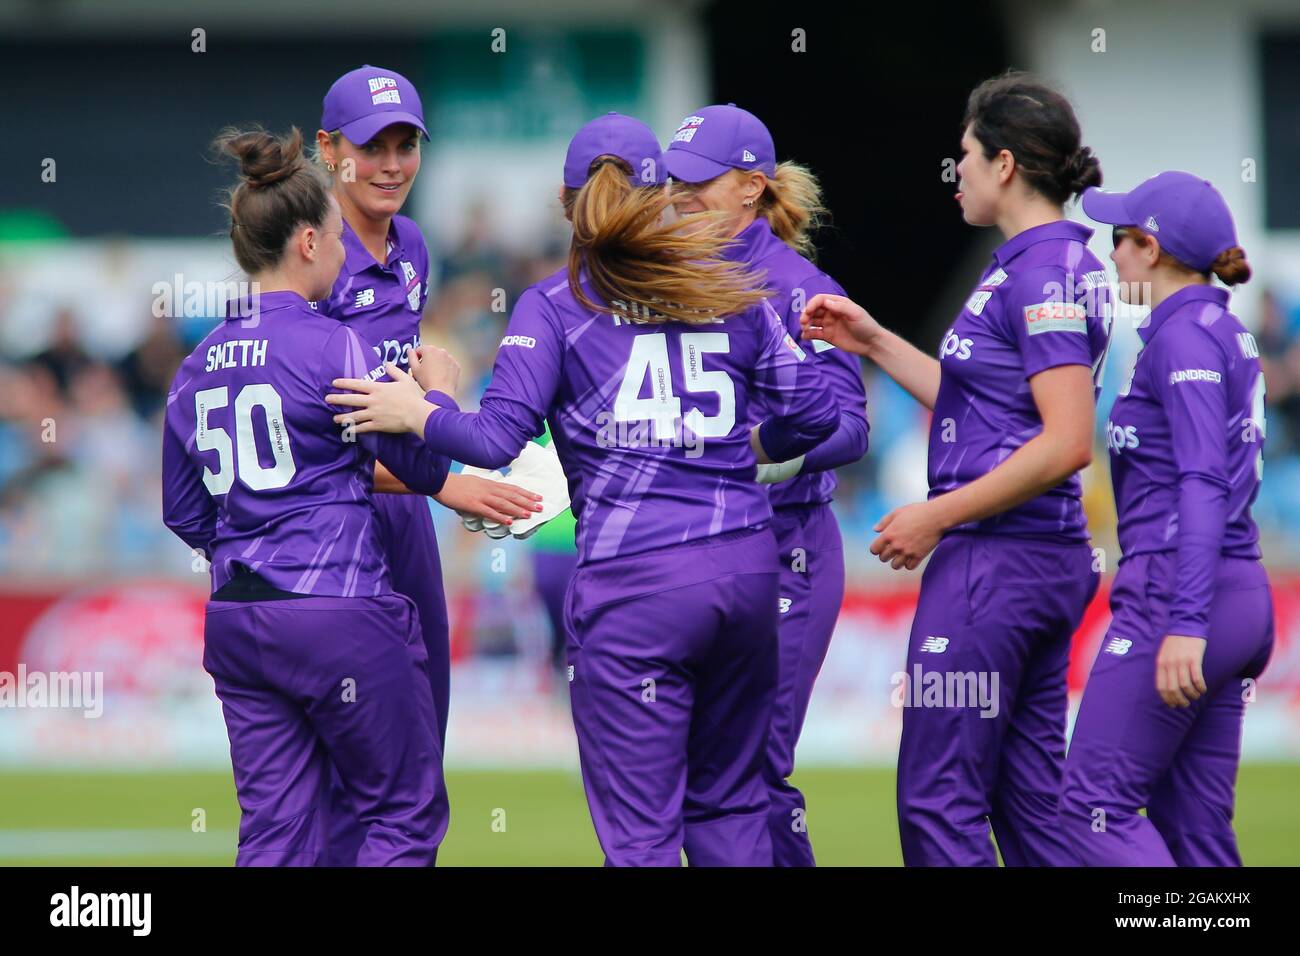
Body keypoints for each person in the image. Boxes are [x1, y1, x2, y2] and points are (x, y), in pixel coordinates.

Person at [325, 112, 838, 866]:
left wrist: (419, 407)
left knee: (642, 836)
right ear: (663, 196)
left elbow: (496, 440)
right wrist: (742, 453)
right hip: (747, 573)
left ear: (566, 205)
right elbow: (818, 414)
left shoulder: (556, 306)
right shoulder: (730, 283)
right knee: (731, 810)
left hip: (636, 588)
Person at [800, 71, 1111, 866]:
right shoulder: (1044, 264)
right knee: (1032, 807)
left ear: (1005, 164)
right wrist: (872, 341)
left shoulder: (1039, 275)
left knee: (938, 798)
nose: (957, 171)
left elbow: (1068, 438)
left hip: (995, 565)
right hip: (1035, 560)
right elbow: (983, 403)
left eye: (966, 155)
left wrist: (938, 515)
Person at [162, 127, 460, 865]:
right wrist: (441, 396)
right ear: (304, 241)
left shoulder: (196, 363)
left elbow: (182, 508)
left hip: (237, 616)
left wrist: (247, 538)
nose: (341, 252)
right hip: (339, 608)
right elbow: (418, 466)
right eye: (333, 236)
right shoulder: (333, 345)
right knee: (402, 814)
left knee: (276, 834)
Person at [312, 65, 541, 863]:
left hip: (405, 516)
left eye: (405, 143)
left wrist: (433, 392)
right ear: (327, 149)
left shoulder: (412, 246)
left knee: (419, 747)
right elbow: (317, 447)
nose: (391, 162)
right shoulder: (304, 260)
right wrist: (449, 481)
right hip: (333, 532)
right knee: (353, 776)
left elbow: (395, 395)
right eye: (371, 146)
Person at [664, 103, 869, 866]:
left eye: (697, 184)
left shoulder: (798, 287)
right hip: (696, 556)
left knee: (748, 766)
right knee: (695, 770)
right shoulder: (666, 274)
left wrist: (753, 454)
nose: (678, 198)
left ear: (751, 188)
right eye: (672, 184)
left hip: (786, 550)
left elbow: (849, 427)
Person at [1060, 172, 1274, 866]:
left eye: (1120, 237)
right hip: (1237, 588)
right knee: (1194, 830)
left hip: (1182, 592)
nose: (1111, 251)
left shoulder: (1182, 339)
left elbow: (1202, 478)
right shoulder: (1221, 327)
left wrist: (1184, 621)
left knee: (1091, 810)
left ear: (1151, 248)